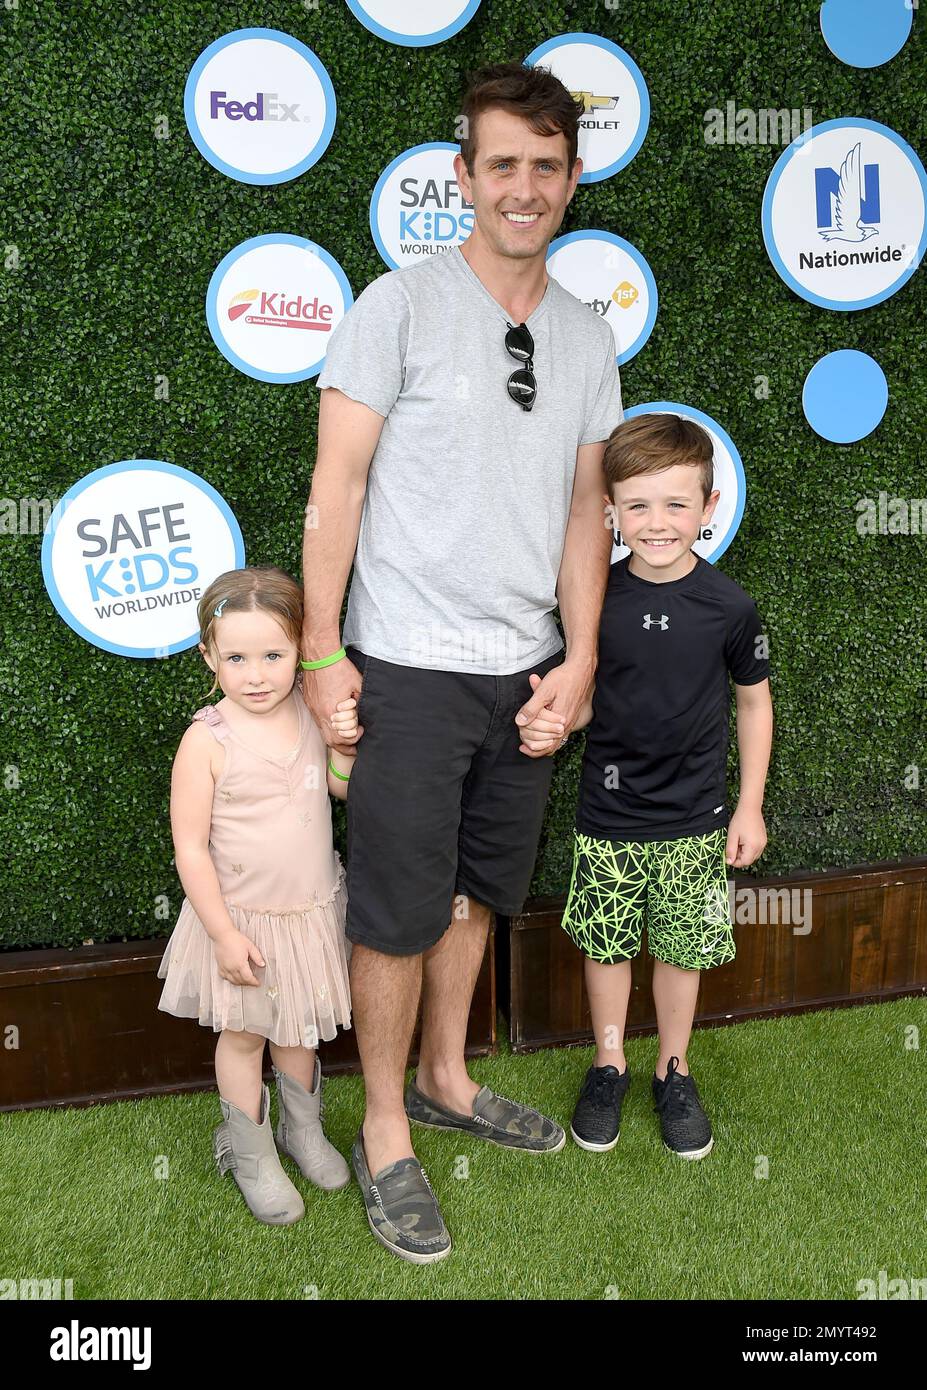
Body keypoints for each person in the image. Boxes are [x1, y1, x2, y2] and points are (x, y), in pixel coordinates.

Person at [300, 62, 624, 1262]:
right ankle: (386, 1126)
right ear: (465, 177)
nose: (525, 188)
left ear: (572, 178)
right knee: (392, 914)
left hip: (528, 672)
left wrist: (580, 656)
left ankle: (445, 1075)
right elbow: (335, 489)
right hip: (409, 666)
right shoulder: (398, 306)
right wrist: (326, 653)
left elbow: (587, 510)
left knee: (477, 893)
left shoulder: (590, 335)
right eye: (504, 165)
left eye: (547, 166)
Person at [562, 413, 774, 1159]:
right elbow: (580, 697)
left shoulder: (729, 606)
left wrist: (747, 805)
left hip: (695, 820)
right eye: (639, 505)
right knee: (609, 945)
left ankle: (672, 1070)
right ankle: (609, 1062)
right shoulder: (591, 601)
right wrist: (553, 711)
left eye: (677, 504)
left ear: (709, 508)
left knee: (681, 952)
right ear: (612, 511)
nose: (657, 523)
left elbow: (753, 702)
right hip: (606, 815)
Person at [157, 565, 357, 1224]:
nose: (257, 674)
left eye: (273, 655)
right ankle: (251, 1154)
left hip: (309, 910)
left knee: (298, 1027)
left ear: (300, 649)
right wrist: (222, 933)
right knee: (245, 1034)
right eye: (237, 657)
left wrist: (346, 748)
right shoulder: (205, 741)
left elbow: (339, 790)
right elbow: (189, 847)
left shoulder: (307, 711)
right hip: (241, 922)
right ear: (208, 656)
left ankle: (302, 1131)